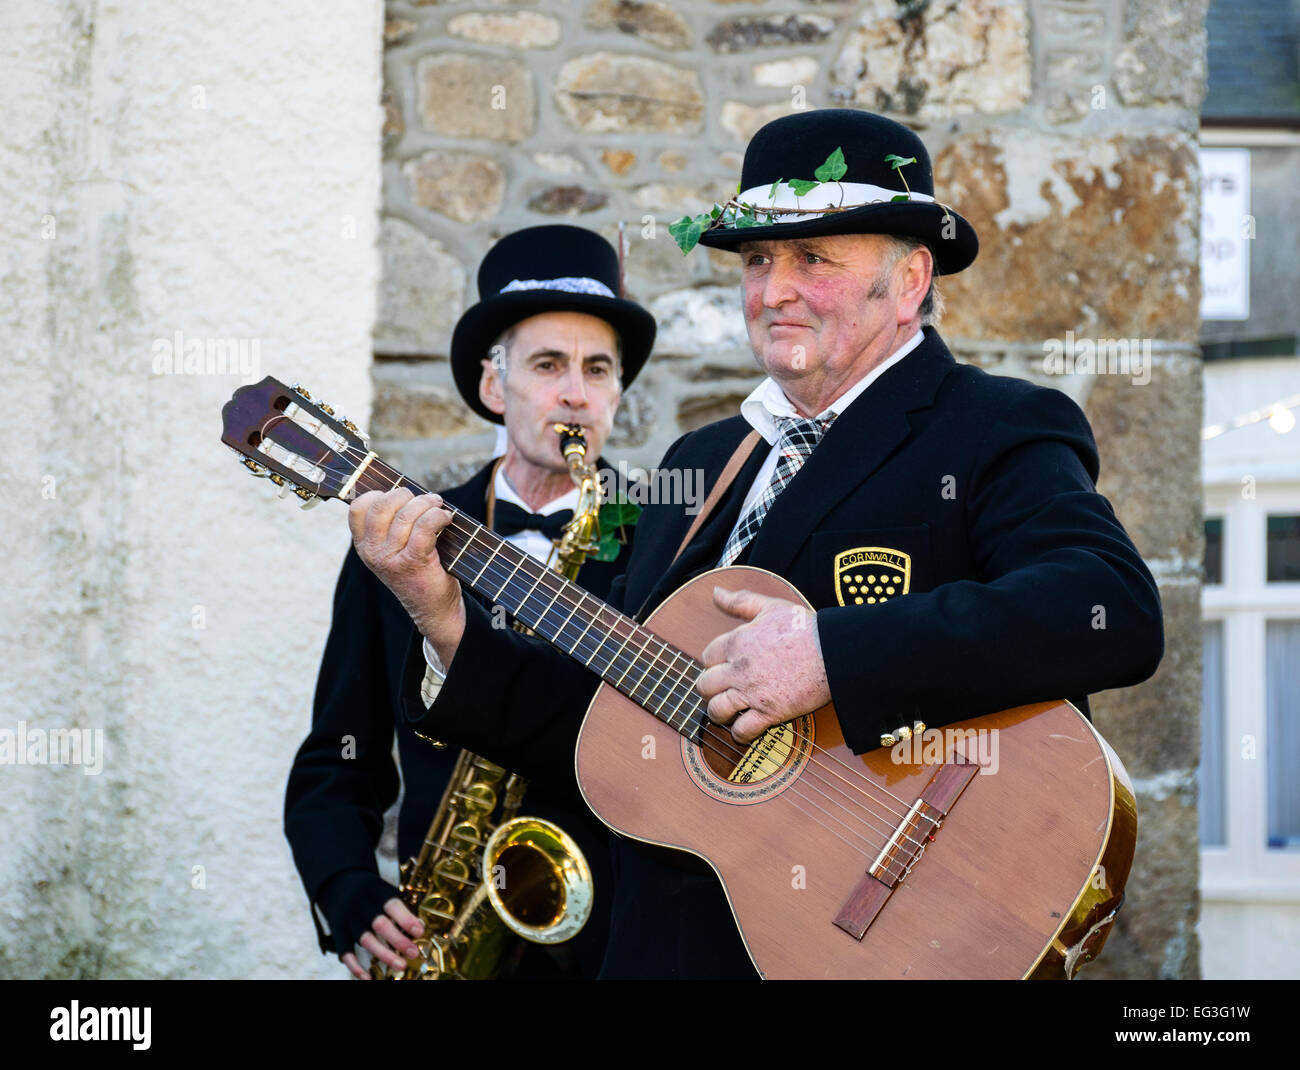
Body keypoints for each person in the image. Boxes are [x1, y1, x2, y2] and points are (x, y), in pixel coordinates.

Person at [347, 110, 1165, 979]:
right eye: (758, 260)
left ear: (911, 277)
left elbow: (1108, 607)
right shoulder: (698, 465)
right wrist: (443, 618)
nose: (773, 290)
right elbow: (607, 727)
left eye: (812, 259)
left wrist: (829, 657)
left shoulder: (993, 426)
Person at [284, 224, 656, 979]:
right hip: (445, 934)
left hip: (618, 943)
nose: (576, 394)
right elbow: (338, 755)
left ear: (618, 391)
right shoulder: (404, 534)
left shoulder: (665, 543)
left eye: (598, 369)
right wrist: (348, 890)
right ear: (495, 385)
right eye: (549, 365)